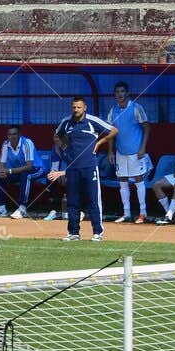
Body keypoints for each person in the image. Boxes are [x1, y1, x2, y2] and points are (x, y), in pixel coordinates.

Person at [53, 95, 115, 241]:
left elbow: (113, 131)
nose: (76, 110)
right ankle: (73, 233)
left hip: (90, 167)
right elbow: (57, 135)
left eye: (79, 107)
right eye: (74, 107)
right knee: (72, 201)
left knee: (93, 200)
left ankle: (98, 233)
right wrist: (65, 147)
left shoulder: (93, 121)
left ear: (85, 108)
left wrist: (99, 143)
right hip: (72, 167)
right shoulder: (66, 122)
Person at [106, 81, 152, 223]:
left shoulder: (136, 108)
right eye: (117, 92)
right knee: (122, 181)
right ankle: (126, 213)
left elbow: (146, 127)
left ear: (127, 93)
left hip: (135, 151)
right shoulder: (113, 110)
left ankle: (143, 213)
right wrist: (110, 151)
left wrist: (142, 148)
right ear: (114, 95)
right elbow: (110, 132)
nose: (120, 94)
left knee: (139, 180)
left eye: (122, 91)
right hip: (121, 152)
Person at [0, 125, 36, 219]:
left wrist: (9, 171)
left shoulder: (27, 143)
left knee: (25, 175)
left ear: (19, 135)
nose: (12, 137)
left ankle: (22, 208)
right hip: (16, 172)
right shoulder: (6, 144)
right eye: (9, 134)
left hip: (35, 170)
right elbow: (1, 163)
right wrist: (1, 171)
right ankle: (1, 208)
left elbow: (29, 166)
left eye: (14, 134)